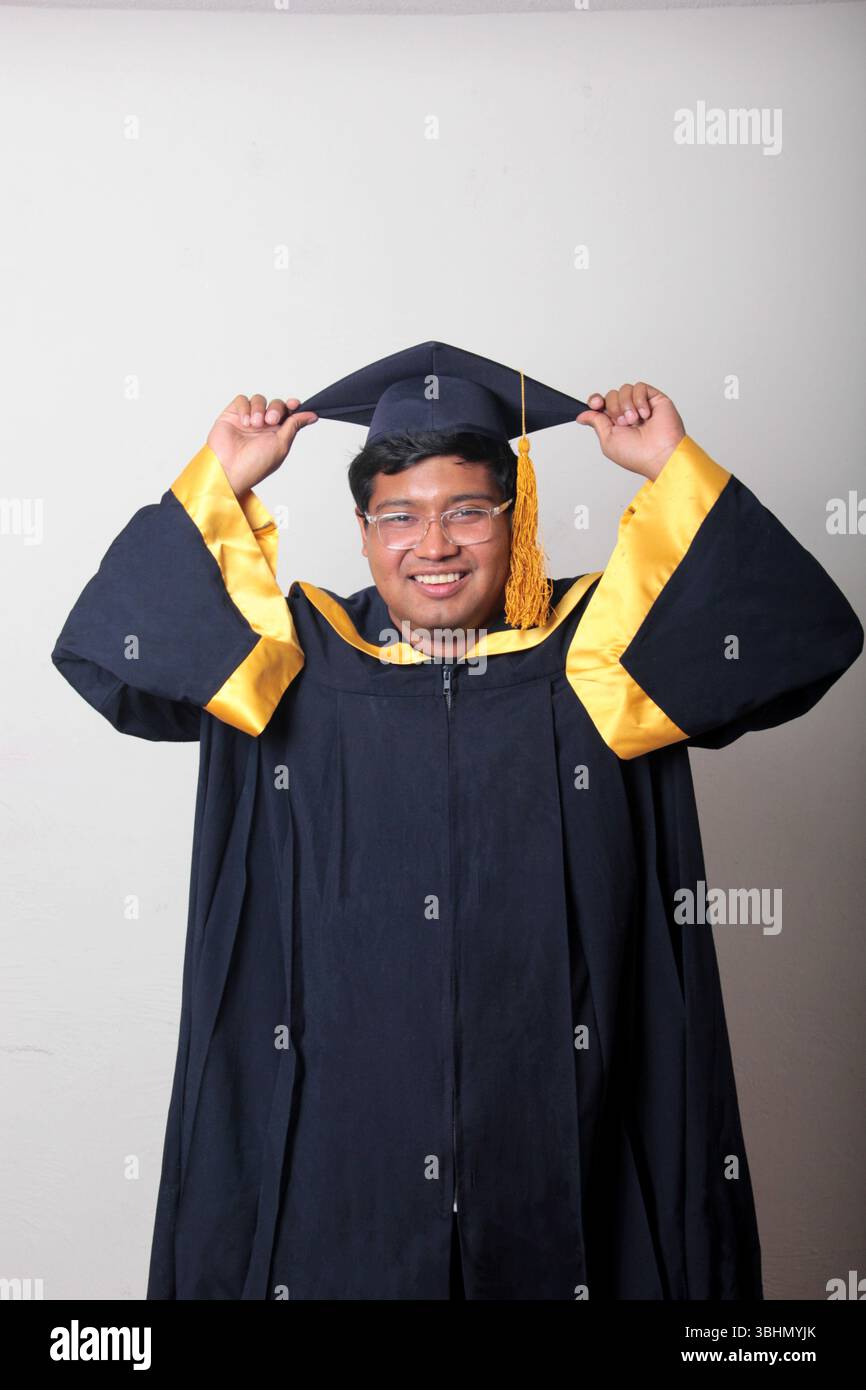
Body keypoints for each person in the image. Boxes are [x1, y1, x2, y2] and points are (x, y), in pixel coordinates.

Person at [51, 341, 863, 1300]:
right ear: (362, 530)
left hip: (565, 1146)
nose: (431, 546)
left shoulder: (601, 657)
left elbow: (805, 638)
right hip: (337, 1167)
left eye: (466, 512)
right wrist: (219, 478)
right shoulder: (291, 659)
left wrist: (669, 466)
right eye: (399, 515)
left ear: (514, 525)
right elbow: (112, 654)